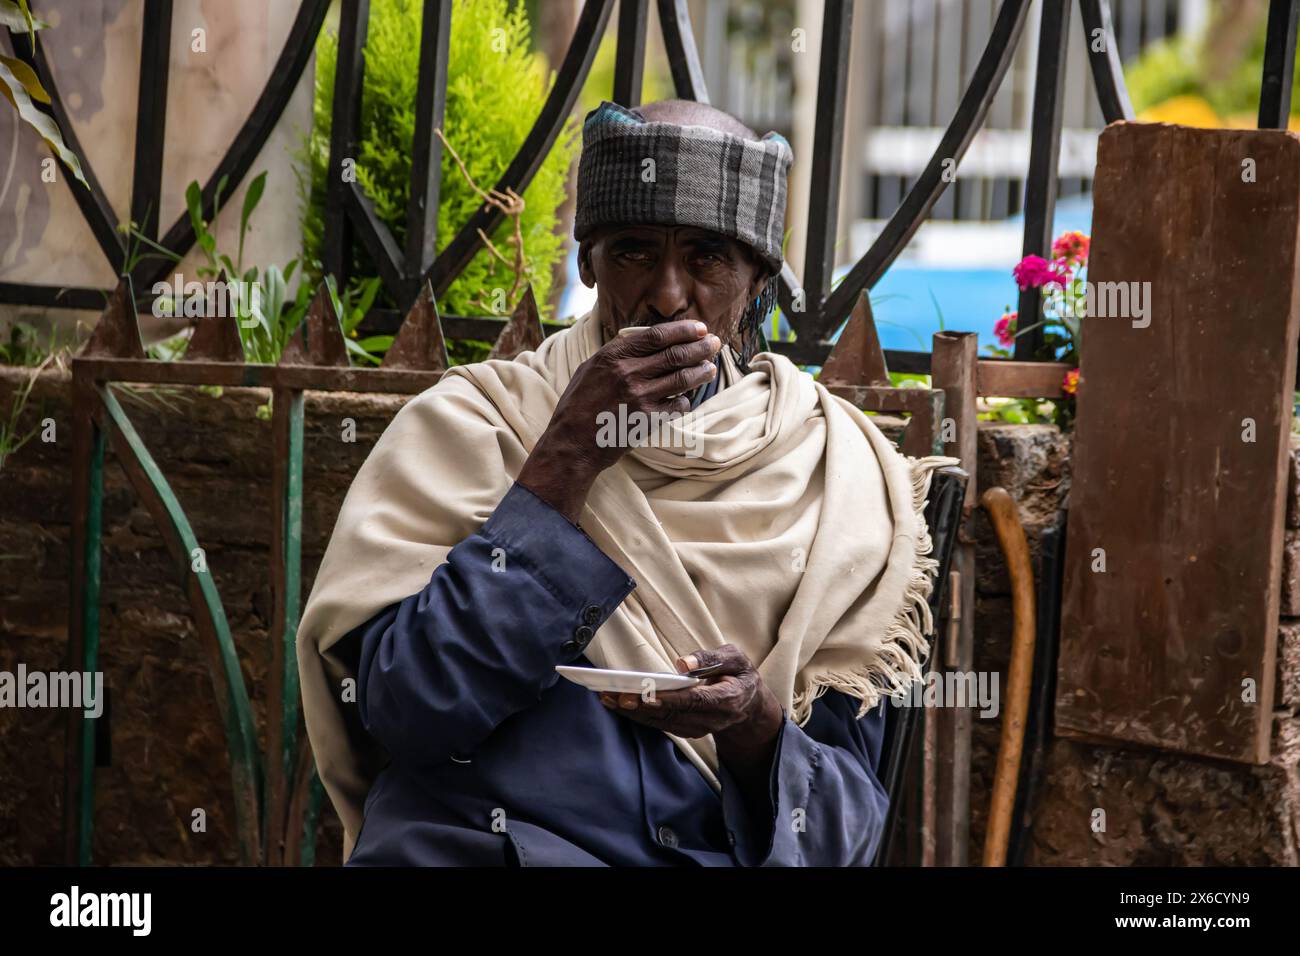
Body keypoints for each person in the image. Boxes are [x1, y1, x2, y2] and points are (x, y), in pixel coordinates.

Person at [295, 98, 955, 866]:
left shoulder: (836, 480)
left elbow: (844, 835)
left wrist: (751, 725)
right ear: (588, 263)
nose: (669, 295)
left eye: (708, 256)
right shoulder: (476, 425)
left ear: (758, 281)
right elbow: (406, 712)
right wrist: (566, 459)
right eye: (634, 251)